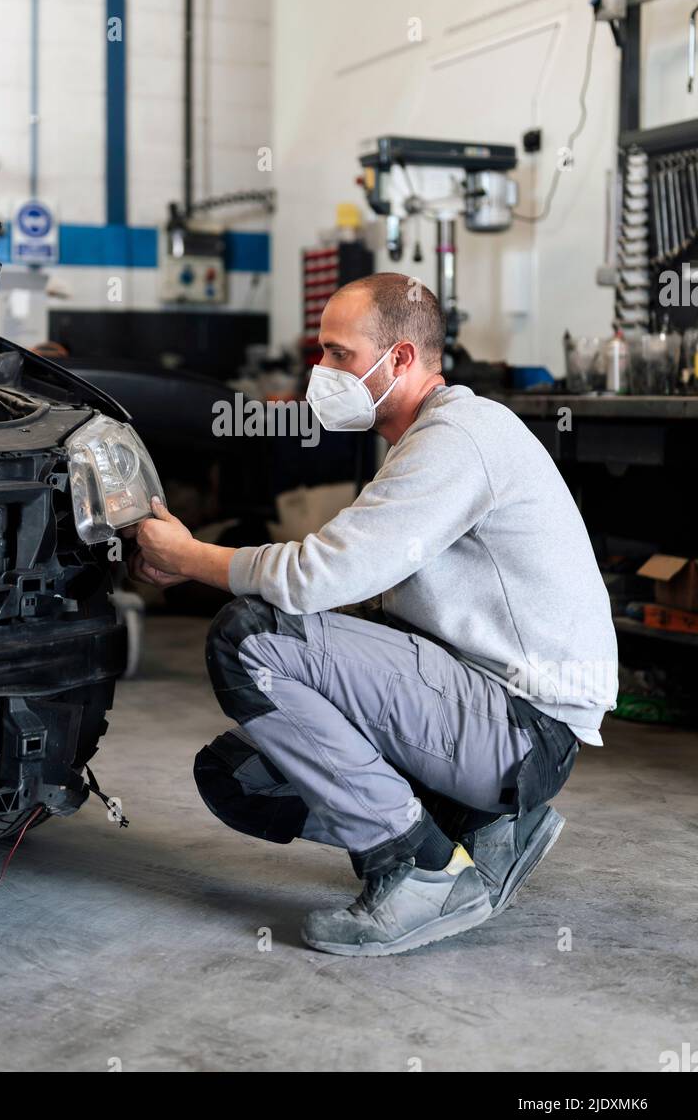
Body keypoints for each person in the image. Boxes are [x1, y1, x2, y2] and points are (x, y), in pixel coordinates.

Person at [128, 274, 618, 956]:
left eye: (338, 355)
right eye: (319, 353)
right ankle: (479, 826)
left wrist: (188, 557)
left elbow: (315, 577)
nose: (320, 372)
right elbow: (357, 592)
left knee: (249, 638)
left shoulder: (460, 439)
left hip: (520, 727)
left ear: (403, 361)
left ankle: (422, 867)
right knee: (241, 777)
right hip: (484, 713)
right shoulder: (418, 441)